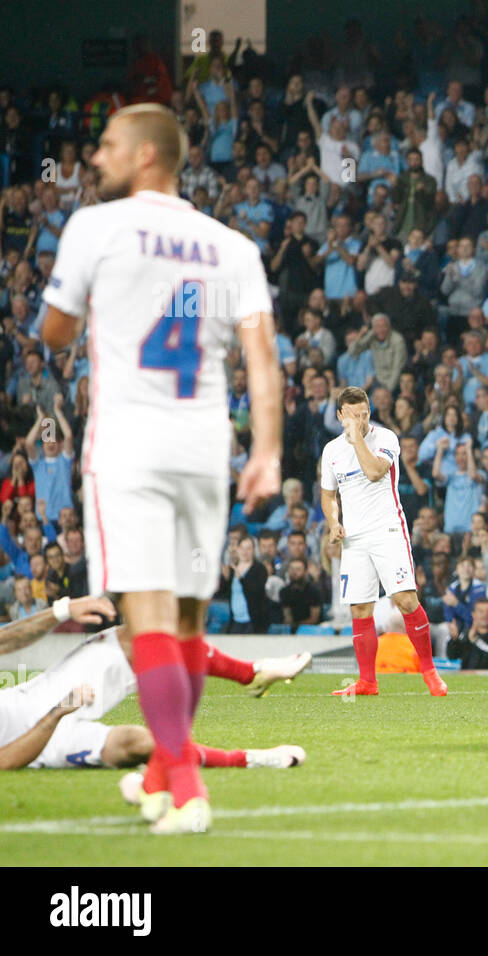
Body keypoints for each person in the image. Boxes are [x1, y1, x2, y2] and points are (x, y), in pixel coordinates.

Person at [41, 104, 283, 835]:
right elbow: (263, 360)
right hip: (206, 448)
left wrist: (77, 310)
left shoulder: (94, 226)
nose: (96, 156)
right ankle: (158, 776)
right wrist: (266, 451)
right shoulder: (231, 245)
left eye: (109, 144)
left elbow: (54, 330)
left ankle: (188, 790)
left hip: (128, 448)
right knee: (184, 623)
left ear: (147, 155)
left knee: (144, 621)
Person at [0, 595, 308, 777]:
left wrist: (63, 610)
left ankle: (251, 672)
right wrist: (58, 713)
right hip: (42, 744)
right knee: (140, 744)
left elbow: (6, 639)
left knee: (136, 638)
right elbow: (7, 760)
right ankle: (253, 758)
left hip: (34, 697)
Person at [320, 387, 447, 698]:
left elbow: (375, 472)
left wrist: (358, 438)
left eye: (364, 414)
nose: (360, 421)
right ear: (340, 416)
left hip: (388, 530)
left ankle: (429, 671)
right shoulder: (331, 451)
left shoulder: (386, 438)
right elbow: (328, 494)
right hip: (355, 538)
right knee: (360, 608)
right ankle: (367, 681)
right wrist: (334, 522)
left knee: (406, 600)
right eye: (352, 416)